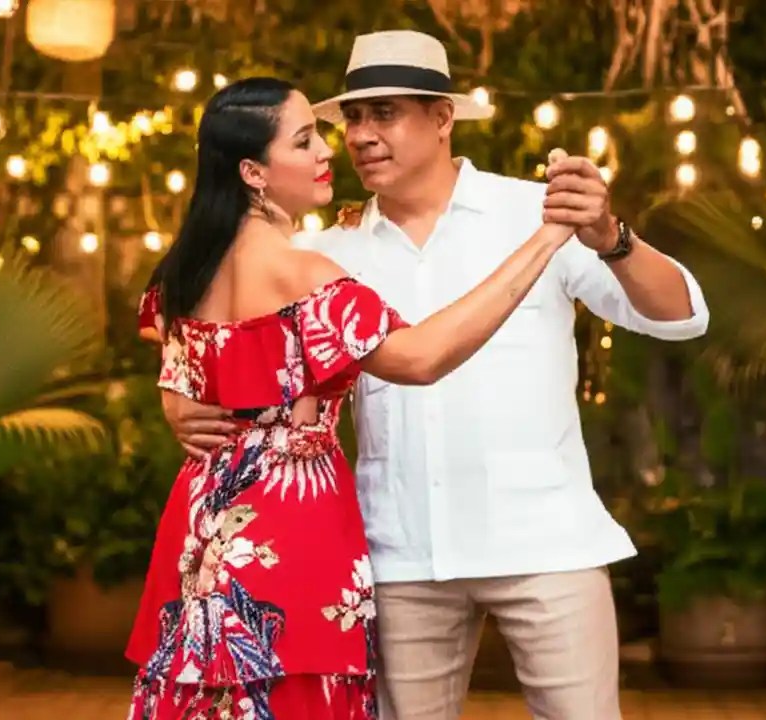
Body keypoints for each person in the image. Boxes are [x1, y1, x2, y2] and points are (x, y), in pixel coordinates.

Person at [158, 30, 711, 720]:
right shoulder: (325, 250)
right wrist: (182, 406)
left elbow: (682, 315)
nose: (359, 136)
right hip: (397, 555)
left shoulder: (537, 211)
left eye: (383, 113)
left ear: (443, 117)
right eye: (351, 119)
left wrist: (613, 239)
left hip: (543, 541)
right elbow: (227, 350)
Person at [124, 76, 579, 719]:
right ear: (254, 172)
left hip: (204, 517)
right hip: (290, 524)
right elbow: (420, 358)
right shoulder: (302, 274)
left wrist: (176, 398)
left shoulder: (184, 270)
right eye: (305, 140)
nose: (327, 152)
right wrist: (544, 241)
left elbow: (168, 344)